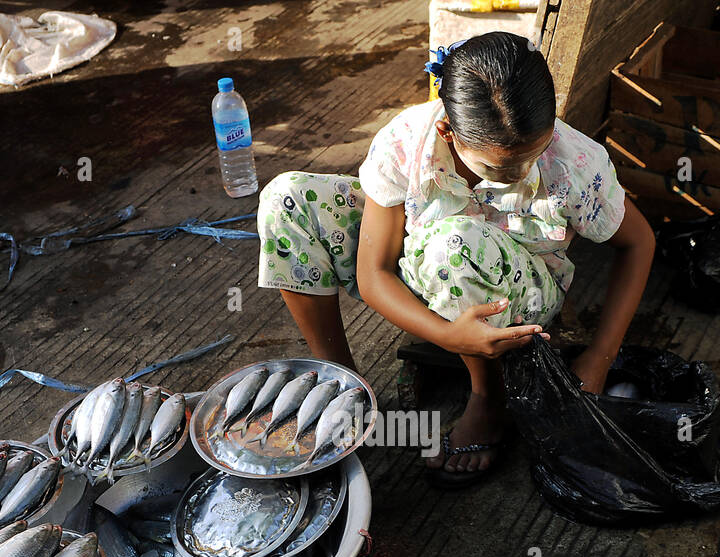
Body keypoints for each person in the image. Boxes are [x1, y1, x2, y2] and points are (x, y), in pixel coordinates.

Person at [256, 31, 655, 486]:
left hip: (519, 295)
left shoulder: (575, 161)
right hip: (426, 264)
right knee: (286, 198)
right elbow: (373, 274)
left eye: (533, 155)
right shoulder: (407, 139)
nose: (518, 175)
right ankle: (346, 387)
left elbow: (639, 243)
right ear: (448, 131)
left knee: (455, 242)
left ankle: (488, 396)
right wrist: (449, 335)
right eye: (498, 168)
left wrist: (599, 358)